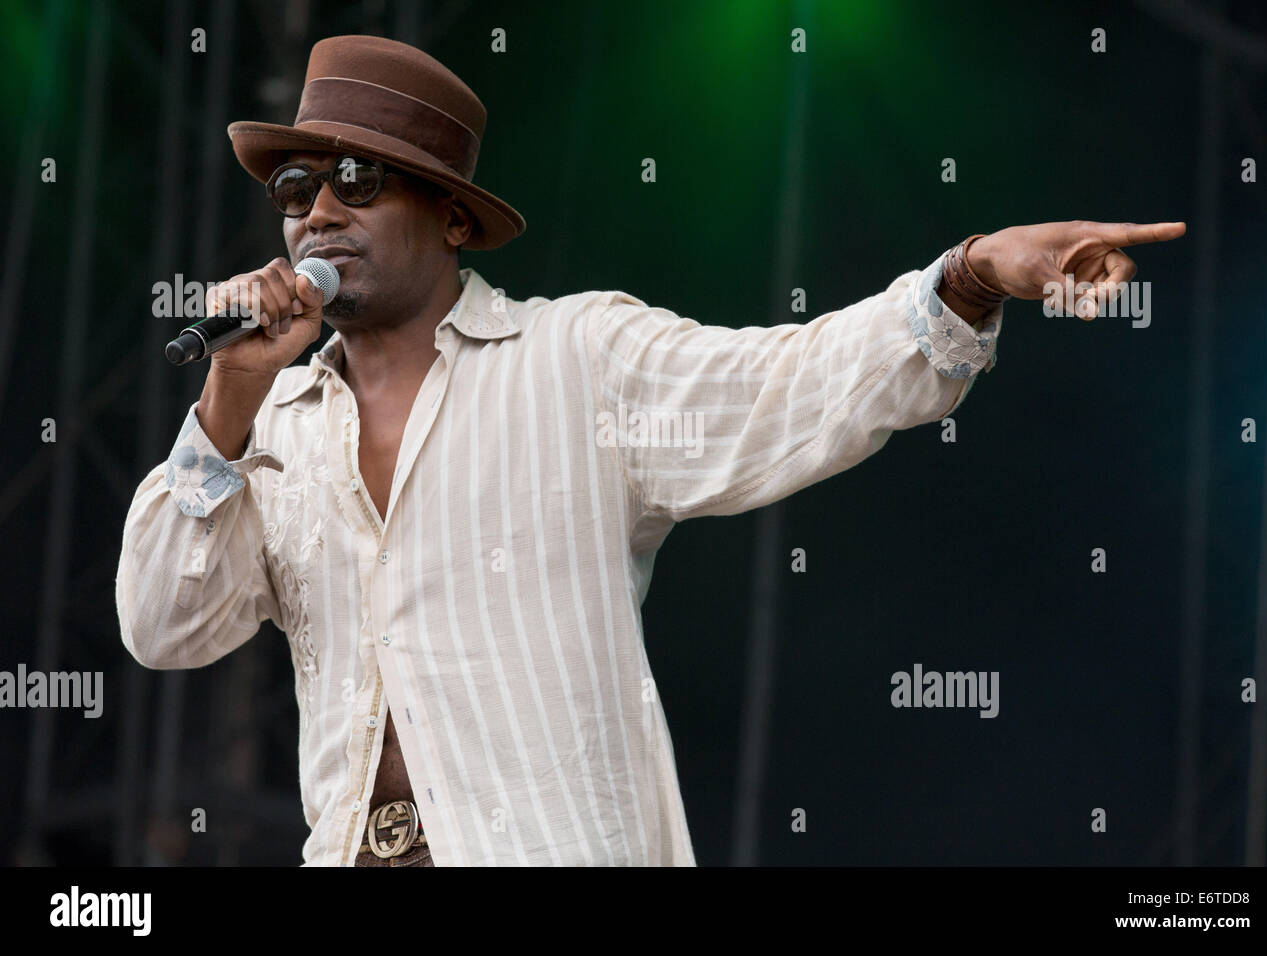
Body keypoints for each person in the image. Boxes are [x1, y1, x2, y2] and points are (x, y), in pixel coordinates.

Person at [115, 34, 1185, 866]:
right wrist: (231, 391)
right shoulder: (278, 427)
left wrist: (969, 274)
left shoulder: (577, 358)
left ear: (450, 219)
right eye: (294, 190)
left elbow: (789, 382)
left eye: (354, 178)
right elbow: (162, 624)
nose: (316, 214)